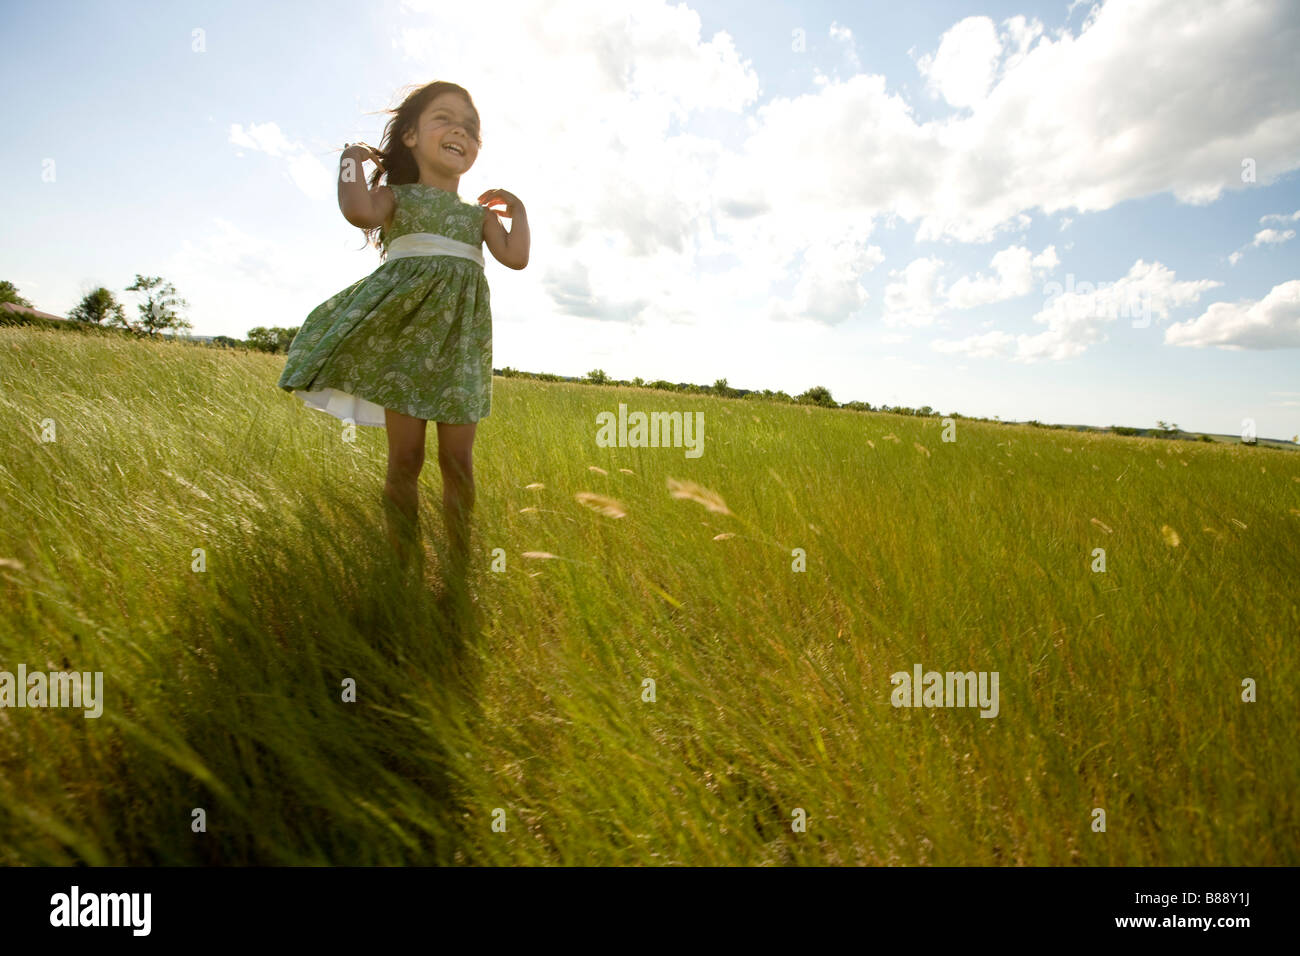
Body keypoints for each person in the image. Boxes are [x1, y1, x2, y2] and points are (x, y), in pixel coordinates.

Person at [277, 81, 530, 590]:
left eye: (471, 126)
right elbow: (357, 211)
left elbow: (516, 258)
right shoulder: (396, 197)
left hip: (461, 349)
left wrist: (518, 212)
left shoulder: (477, 217)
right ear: (410, 136)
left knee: (458, 461)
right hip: (406, 347)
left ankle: (459, 565)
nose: (461, 129)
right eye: (445, 118)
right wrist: (350, 158)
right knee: (406, 459)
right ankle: (401, 562)